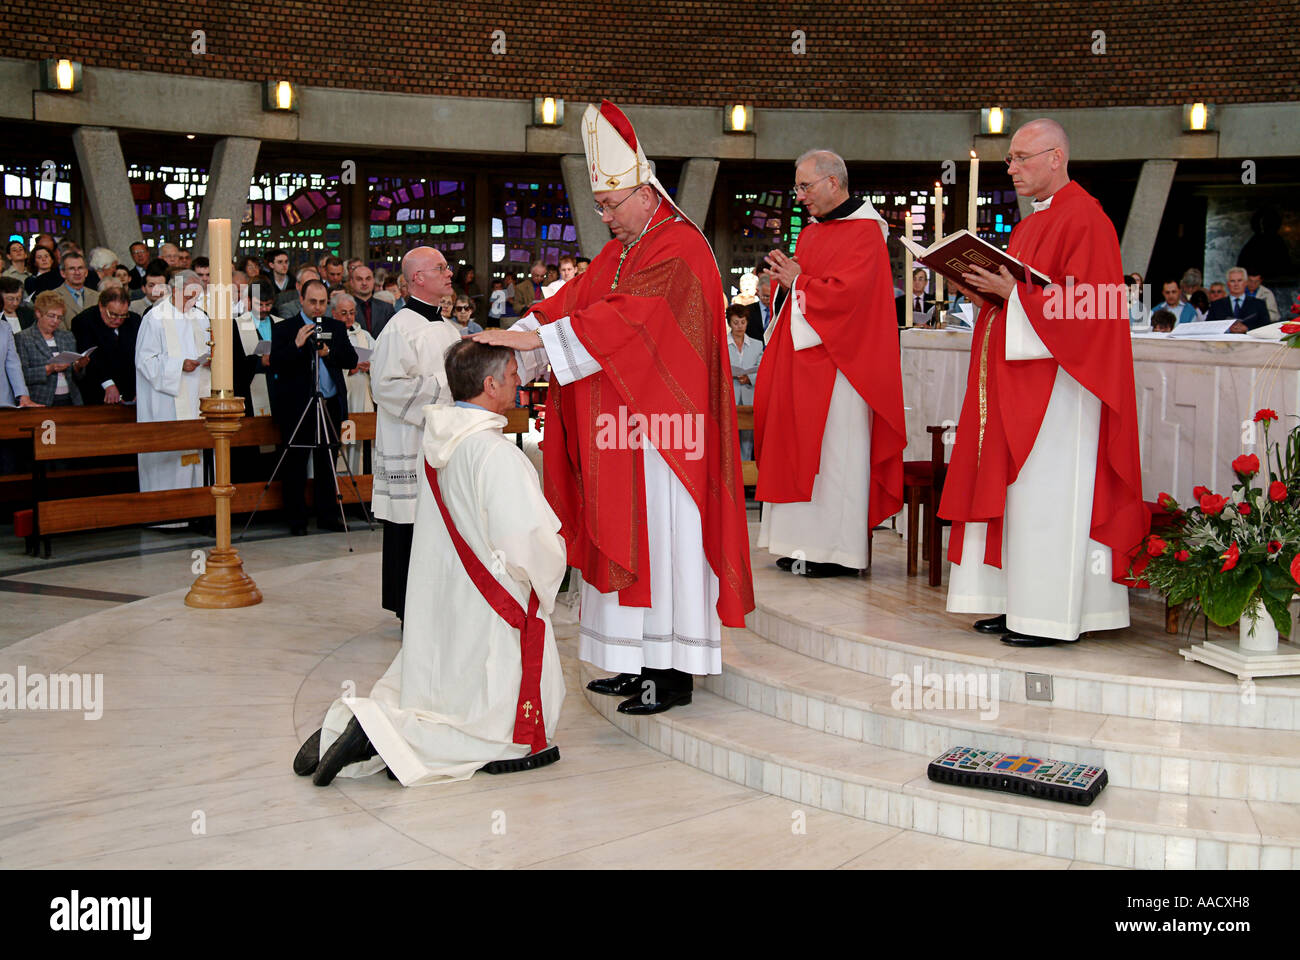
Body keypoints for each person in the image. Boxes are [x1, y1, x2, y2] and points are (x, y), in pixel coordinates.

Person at [474, 100, 754, 715]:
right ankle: (634, 662)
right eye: (598, 206)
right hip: (625, 434)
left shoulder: (677, 248)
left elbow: (630, 320)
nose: (603, 219)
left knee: (666, 548)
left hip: (667, 441)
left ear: (643, 191)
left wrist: (540, 341)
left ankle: (671, 671)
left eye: (609, 205)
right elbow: (572, 299)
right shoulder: (624, 250)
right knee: (627, 544)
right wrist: (520, 332)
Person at [298, 339, 567, 786]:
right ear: (490, 384)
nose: (521, 381)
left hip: (448, 589)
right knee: (492, 727)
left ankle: (352, 733)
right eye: (513, 374)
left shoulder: (439, 441)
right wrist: (554, 560)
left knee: (444, 688)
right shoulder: (497, 454)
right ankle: (379, 734)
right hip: (492, 599)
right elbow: (525, 540)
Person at [940, 118, 1146, 647]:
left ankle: (1050, 615)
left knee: (1047, 499)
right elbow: (1027, 294)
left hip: (1062, 390)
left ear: (1056, 157)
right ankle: (1015, 604)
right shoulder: (1031, 223)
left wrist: (1016, 298)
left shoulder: (1087, 219)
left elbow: (1095, 308)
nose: (1011, 168)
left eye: (1021, 157)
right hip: (1022, 379)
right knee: (1019, 498)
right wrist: (985, 288)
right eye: (1010, 159)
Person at [754, 149, 906, 579]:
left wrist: (798, 282)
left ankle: (836, 551)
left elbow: (849, 298)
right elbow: (805, 286)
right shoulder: (814, 232)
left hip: (844, 367)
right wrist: (786, 284)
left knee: (835, 457)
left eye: (806, 187)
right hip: (804, 362)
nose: (800, 196)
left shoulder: (865, 233)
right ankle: (799, 543)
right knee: (797, 450)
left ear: (833, 183)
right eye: (797, 187)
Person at [371, 246, 462, 619]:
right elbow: (386, 387)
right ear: (417, 279)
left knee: (437, 526)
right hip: (411, 442)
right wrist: (449, 387)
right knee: (409, 524)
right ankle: (409, 609)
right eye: (441, 268)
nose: (450, 274)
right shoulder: (400, 328)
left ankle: (435, 608)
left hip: (441, 441)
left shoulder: (447, 327)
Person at [270, 278, 358, 535]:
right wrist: (296, 346)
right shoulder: (285, 328)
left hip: (329, 404)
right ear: (301, 300)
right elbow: (275, 363)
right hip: (299, 407)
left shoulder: (335, 327)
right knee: (296, 463)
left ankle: (328, 515)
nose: (318, 308)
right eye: (313, 302)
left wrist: (329, 353)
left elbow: (351, 359)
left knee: (327, 463)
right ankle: (296, 520)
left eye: (322, 302)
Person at [135, 271, 208, 492]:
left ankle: (199, 509)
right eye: (190, 295)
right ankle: (169, 515)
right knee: (170, 459)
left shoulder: (201, 317)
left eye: (197, 296)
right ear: (176, 290)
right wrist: (178, 366)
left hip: (198, 399)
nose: (193, 301)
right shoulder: (155, 318)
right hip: (168, 401)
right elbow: (144, 360)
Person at [331, 290, 374, 477]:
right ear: (333, 313)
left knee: (361, 438)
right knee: (343, 438)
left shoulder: (364, 335)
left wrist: (370, 366)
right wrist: (349, 368)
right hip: (343, 394)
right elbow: (327, 363)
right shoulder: (329, 334)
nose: (349, 317)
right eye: (344, 313)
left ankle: (362, 480)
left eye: (352, 312)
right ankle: (342, 480)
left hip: (363, 393)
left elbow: (379, 359)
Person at [71, 286, 139, 405]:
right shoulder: (83, 321)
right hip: (98, 391)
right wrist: (108, 384)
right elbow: (90, 356)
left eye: (123, 315)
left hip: (131, 390)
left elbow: (140, 355)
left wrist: (140, 389)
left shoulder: (134, 320)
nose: (118, 320)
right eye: (113, 314)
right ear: (101, 306)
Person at [17, 292, 87, 406]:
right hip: (40, 400)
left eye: (59, 317)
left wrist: (78, 366)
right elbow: (22, 376)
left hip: (70, 400)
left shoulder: (67, 336)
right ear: (38, 313)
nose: (55, 321)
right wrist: (50, 368)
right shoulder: (23, 338)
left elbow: (78, 377)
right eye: (51, 316)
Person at [727, 303, 762, 460]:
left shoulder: (757, 344)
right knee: (729, 437)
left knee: (748, 440)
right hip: (730, 395)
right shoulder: (722, 343)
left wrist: (749, 378)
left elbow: (761, 368)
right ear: (729, 323)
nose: (740, 326)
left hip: (749, 395)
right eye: (736, 322)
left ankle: (745, 479)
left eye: (743, 322)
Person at [1207, 267, 1272, 332]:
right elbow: (1208, 327)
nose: (1236, 284)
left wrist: (1247, 329)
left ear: (1246, 283)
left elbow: (1267, 327)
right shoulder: (1216, 305)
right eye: (1232, 281)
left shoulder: (1259, 304)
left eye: (1239, 280)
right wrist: (1228, 330)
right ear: (1228, 284)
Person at [345, 263, 395, 338]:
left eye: (368, 279)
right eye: (359, 279)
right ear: (351, 282)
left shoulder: (387, 308)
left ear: (373, 281)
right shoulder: (345, 308)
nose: (364, 283)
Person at [51, 253, 98, 327]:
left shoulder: (97, 297)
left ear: (86, 272)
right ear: (63, 273)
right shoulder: (53, 297)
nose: (77, 273)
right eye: (72, 269)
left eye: (80, 268)